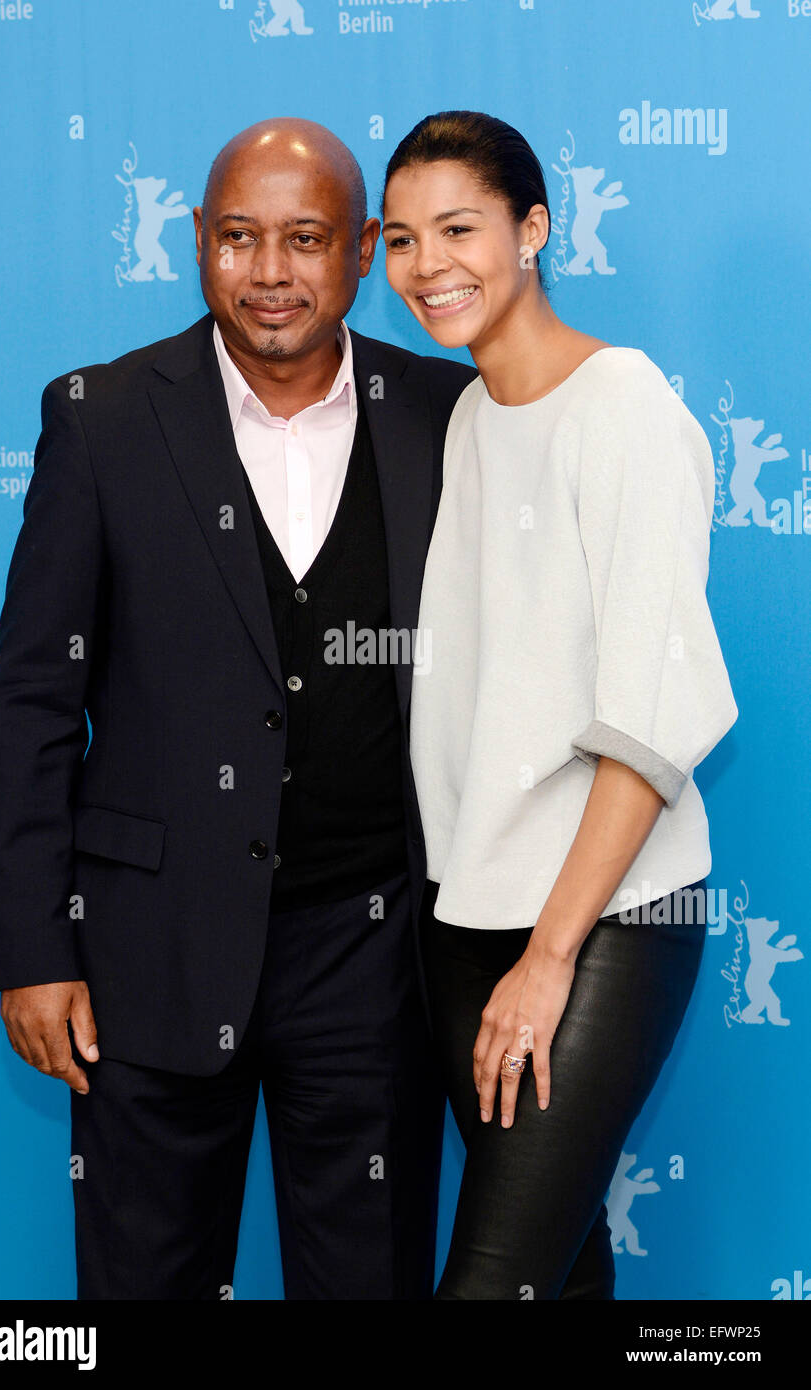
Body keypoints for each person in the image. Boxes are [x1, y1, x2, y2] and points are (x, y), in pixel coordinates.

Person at [0, 117, 475, 1300]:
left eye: (304, 240)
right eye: (239, 238)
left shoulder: (448, 416)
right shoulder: (100, 417)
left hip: (372, 955)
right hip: (149, 948)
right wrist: (34, 950)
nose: (269, 274)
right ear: (194, 241)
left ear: (361, 252)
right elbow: (35, 700)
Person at [380, 110, 738, 1300]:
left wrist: (546, 956)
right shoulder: (470, 419)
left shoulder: (622, 406)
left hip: (602, 926)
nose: (427, 265)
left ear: (533, 230)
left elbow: (647, 717)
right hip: (468, 914)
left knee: (488, 1285)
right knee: (557, 1273)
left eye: (459, 228)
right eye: (399, 238)